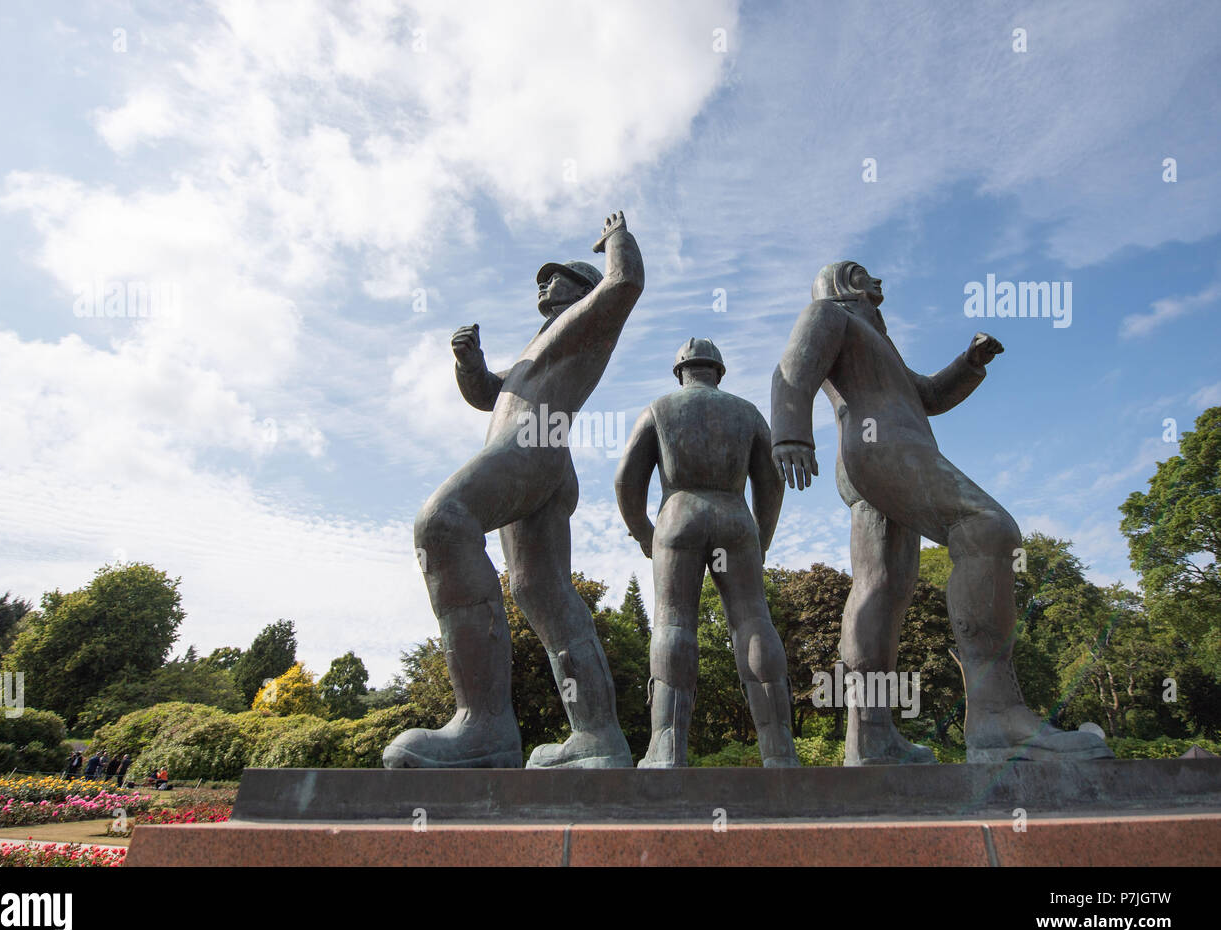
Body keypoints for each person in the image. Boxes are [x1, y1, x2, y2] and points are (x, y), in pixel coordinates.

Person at [770, 260, 1112, 763]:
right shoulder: (828, 314)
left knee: (883, 587)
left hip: (875, 456)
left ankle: (871, 737)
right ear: (848, 282)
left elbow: (927, 394)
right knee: (986, 527)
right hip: (884, 449)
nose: (879, 283)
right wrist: (791, 435)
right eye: (866, 274)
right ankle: (996, 714)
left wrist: (969, 363)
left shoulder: (877, 342)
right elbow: (790, 373)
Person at [383, 211, 644, 770]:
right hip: (541, 461)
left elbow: (625, 283)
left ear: (581, 289)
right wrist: (470, 365)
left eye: (555, 277)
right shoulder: (537, 347)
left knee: (443, 521)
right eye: (541, 280)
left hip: (533, 448)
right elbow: (489, 394)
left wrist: (615, 238)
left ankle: (483, 726)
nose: (543, 284)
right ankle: (597, 735)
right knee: (540, 590)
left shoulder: (585, 320)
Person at [616, 339, 798, 768]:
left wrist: (644, 532)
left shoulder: (658, 409)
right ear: (718, 371)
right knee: (754, 622)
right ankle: (779, 751)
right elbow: (772, 482)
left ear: (680, 372)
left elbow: (626, 480)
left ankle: (666, 749)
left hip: (678, 517)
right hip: (735, 519)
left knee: (674, 621)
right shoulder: (747, 412)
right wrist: (761, 537)